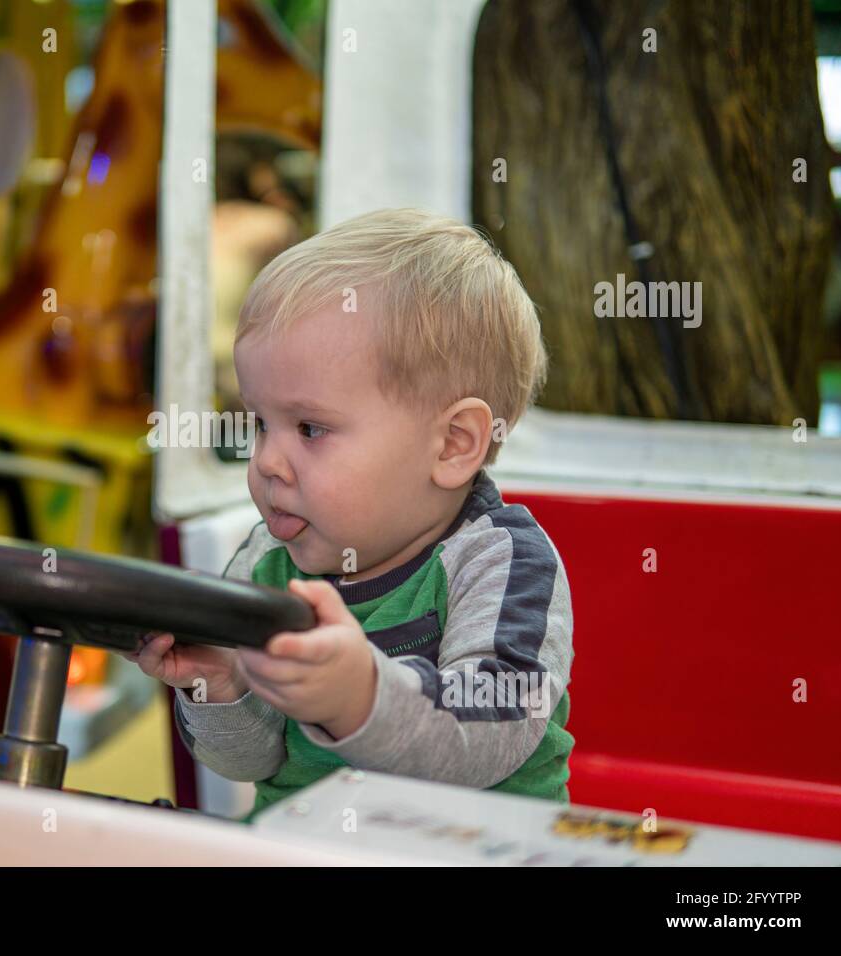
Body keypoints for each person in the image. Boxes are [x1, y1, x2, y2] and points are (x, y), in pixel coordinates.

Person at [126, 208, 574, 822]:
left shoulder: (498, 559)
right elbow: (249, 762)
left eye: (310, 428)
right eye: (260, 422)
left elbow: (490, 733)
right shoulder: (265, 559)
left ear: (453, 445)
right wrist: (220, 687)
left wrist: (359, 696)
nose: (267, 462)